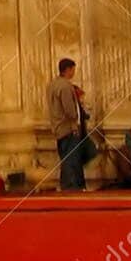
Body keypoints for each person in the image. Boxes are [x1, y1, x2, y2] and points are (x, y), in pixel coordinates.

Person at [46, 58, 86, 191]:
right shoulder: (65, 86)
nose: (74, 72)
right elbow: (69, 110)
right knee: (71, 159)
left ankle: (68, 185)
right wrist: (76, 119)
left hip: (58, 127)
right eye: (73, 69)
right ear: (68, 69)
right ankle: (71, 187)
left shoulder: (52, 85)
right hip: (68, 128)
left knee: (65, 158)